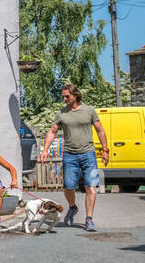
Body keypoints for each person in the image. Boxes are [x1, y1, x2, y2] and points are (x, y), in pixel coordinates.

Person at [41, 83, 110, 231]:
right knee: (68, 186)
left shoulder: (89, 111)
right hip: (69, 155)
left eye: (67, 96)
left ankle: (89, 219)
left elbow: (100, 130)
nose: (65, 99)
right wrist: (45, 149)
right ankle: (72, 207)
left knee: (90, 187)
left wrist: (105, 149)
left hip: (88, 154)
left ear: (75, 95)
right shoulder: (62, 114)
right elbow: (52, 132)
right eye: (63, 96)